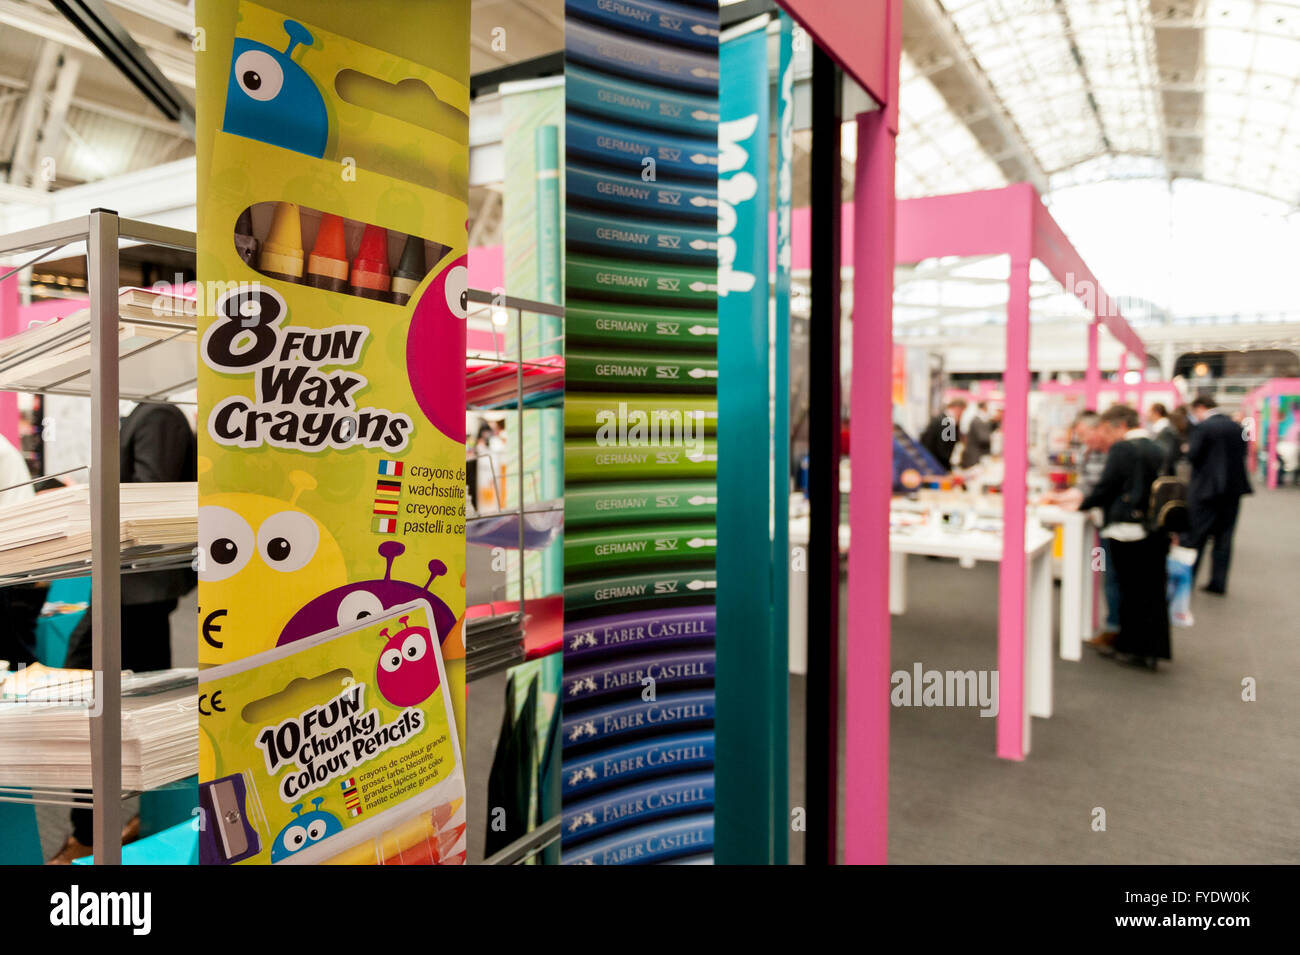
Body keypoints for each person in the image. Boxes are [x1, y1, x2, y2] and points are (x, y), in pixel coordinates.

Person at [49, 402, 197, 864]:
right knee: (113, 705)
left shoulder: (158, 416)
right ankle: (108, 829)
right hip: (127, 590)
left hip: (136, 593)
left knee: (101, 703)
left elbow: (149, 500)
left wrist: (89, 504)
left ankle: (94, 835)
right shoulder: (142, 416)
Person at [1063, 404, 1170, 670]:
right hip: (1153, 529)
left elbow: (1107, 487)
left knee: (1127, 589)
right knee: (1151, 593)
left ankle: (1129, 645)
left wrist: (1082, 505)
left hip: (1124, 528)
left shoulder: (1123, 449)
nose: (1105, 436)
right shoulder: (1157, 447)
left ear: (1120, 426)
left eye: (1107, 430)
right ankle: (1151, 649)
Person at [1044, 411, 1120, 646]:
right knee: (1105, 571)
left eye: (1085, 434)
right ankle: (1112, 627)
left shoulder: (1115, 452)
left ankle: (1114, 628)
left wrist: (1076, 500)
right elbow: (1087, 485)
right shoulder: (1092, 452)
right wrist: (1068, 497)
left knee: (1110, 574)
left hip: (1114, 523)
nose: (1084, 440)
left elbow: (1099, 488)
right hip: (1102, 521)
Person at [1182, 395, 1252, 595]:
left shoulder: (1203, 427)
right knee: (1224, 538)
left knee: (1196, 536)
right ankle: (1218, 582)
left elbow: (1193, 455)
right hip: (1232, 490)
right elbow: (1244, 452)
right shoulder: (1236, 427)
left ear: (1200, 407)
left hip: (1205, 490)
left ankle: (1188, 580)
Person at [919, 398, 965, 473]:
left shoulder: (941, 418)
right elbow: (945, 452)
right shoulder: (949, 422)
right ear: (958, 409)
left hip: (929, 461)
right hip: (936, 465)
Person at [959, 402, 993, 468]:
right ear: (984, 407)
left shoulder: (977, 419)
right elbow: (983, 438)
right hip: (975, 455)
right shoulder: (978, 420)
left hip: (975, 454)